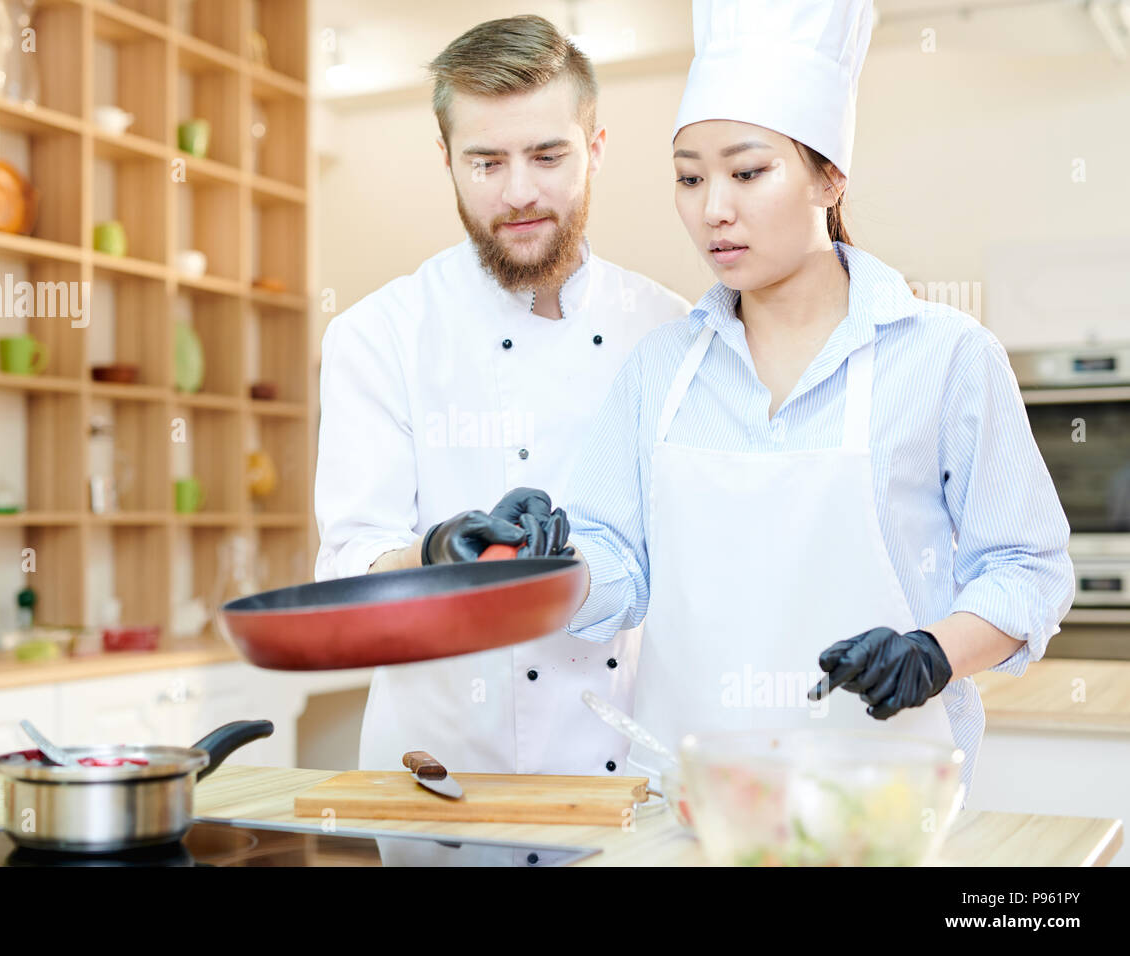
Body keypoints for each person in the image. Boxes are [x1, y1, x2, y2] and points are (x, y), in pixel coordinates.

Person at [523, 0, 1074, 799]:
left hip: (884, 804)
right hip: (692, 805)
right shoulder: (660, 369)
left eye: (748, 172)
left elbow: (1026, 567)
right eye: (689, 177)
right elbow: (616, 569)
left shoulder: (947, 356)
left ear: (829, 176)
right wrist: (542, 561)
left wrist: (932, 651)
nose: (714, 208)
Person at [314, 15, 690, 775]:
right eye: (486, 162)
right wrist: (431, 552)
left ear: (597, 149)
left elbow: (694, 563)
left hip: (632, 776)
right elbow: (348, 578)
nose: (520, 194)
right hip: (442, 778)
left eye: (548, 156)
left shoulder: (671, 331)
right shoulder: (378, 335)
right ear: (447, 159)